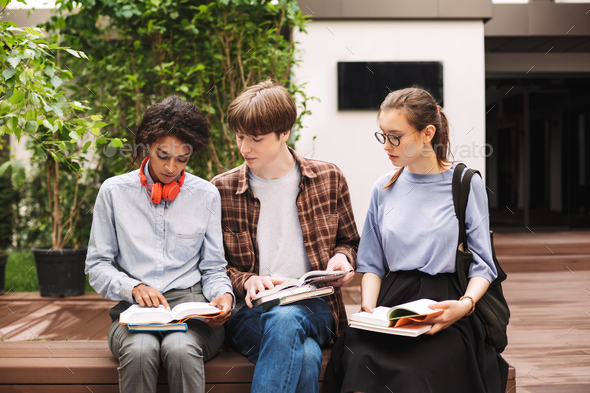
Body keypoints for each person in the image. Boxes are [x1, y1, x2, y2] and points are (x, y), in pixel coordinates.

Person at [324, 87, 509, 393]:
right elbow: (372, 262)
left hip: (447, 305)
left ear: (427, 133)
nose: (386, 145)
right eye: (382, 135)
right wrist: (369, 310)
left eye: (395, 136)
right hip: (391, 303)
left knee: (415, 373)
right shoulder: (382, 188)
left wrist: (464, 306)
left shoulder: (465, 183)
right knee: (359, 361)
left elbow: (483, 264)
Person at [211, 80, 360, 393]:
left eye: (256, 139)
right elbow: (212, 266)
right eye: (239, 136)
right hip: (249, 313)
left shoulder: (328, 178)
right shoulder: (221, 189)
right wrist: (246, 280)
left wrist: (342, 258)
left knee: (286, 318)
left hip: (315, 305)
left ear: (285, 133)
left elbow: (349, 241)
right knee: (305, 357)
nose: (243, 148)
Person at [85, 96, 234, 393]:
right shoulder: (114, 192)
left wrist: (223, 295)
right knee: (140, 351)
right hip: (133, 309)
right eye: (163, 155)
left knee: (180, 349)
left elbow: (214, 267)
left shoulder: (206, 195)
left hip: (192, 310)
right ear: (146, 146)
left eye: (182, 159)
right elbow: (97, 265)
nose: (171, 167)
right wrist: (133, 288)